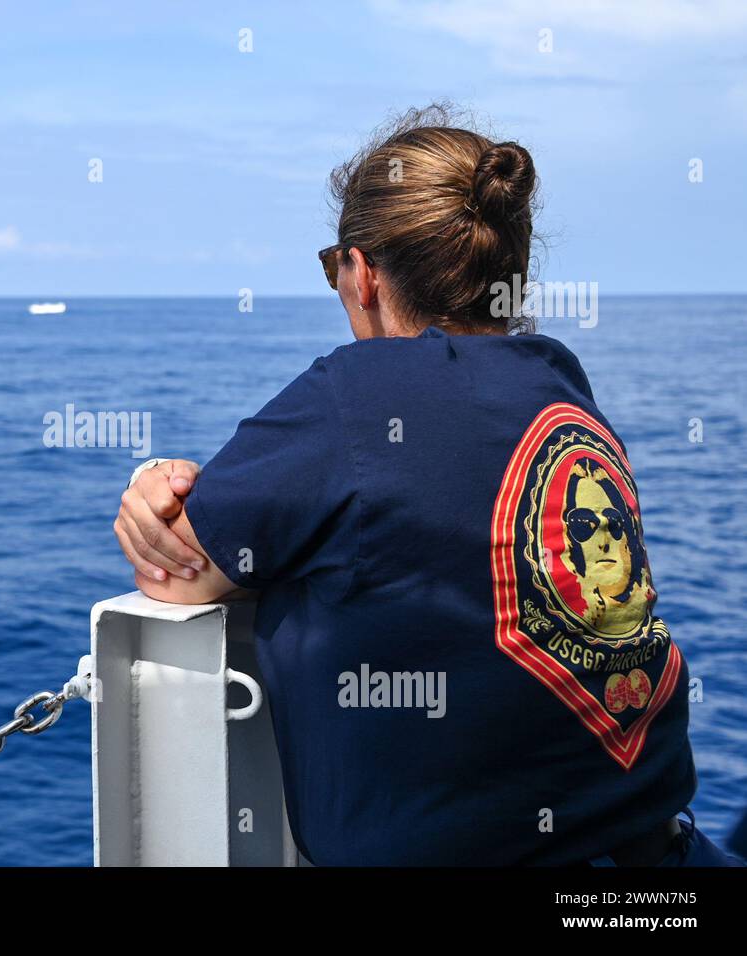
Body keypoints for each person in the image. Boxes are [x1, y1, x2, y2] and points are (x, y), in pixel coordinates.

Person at [113, 104, 741, 866]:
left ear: (363, 274)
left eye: (333, 269)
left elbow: (178, 574)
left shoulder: (356, 392)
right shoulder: (562, 386)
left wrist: (153, 478)